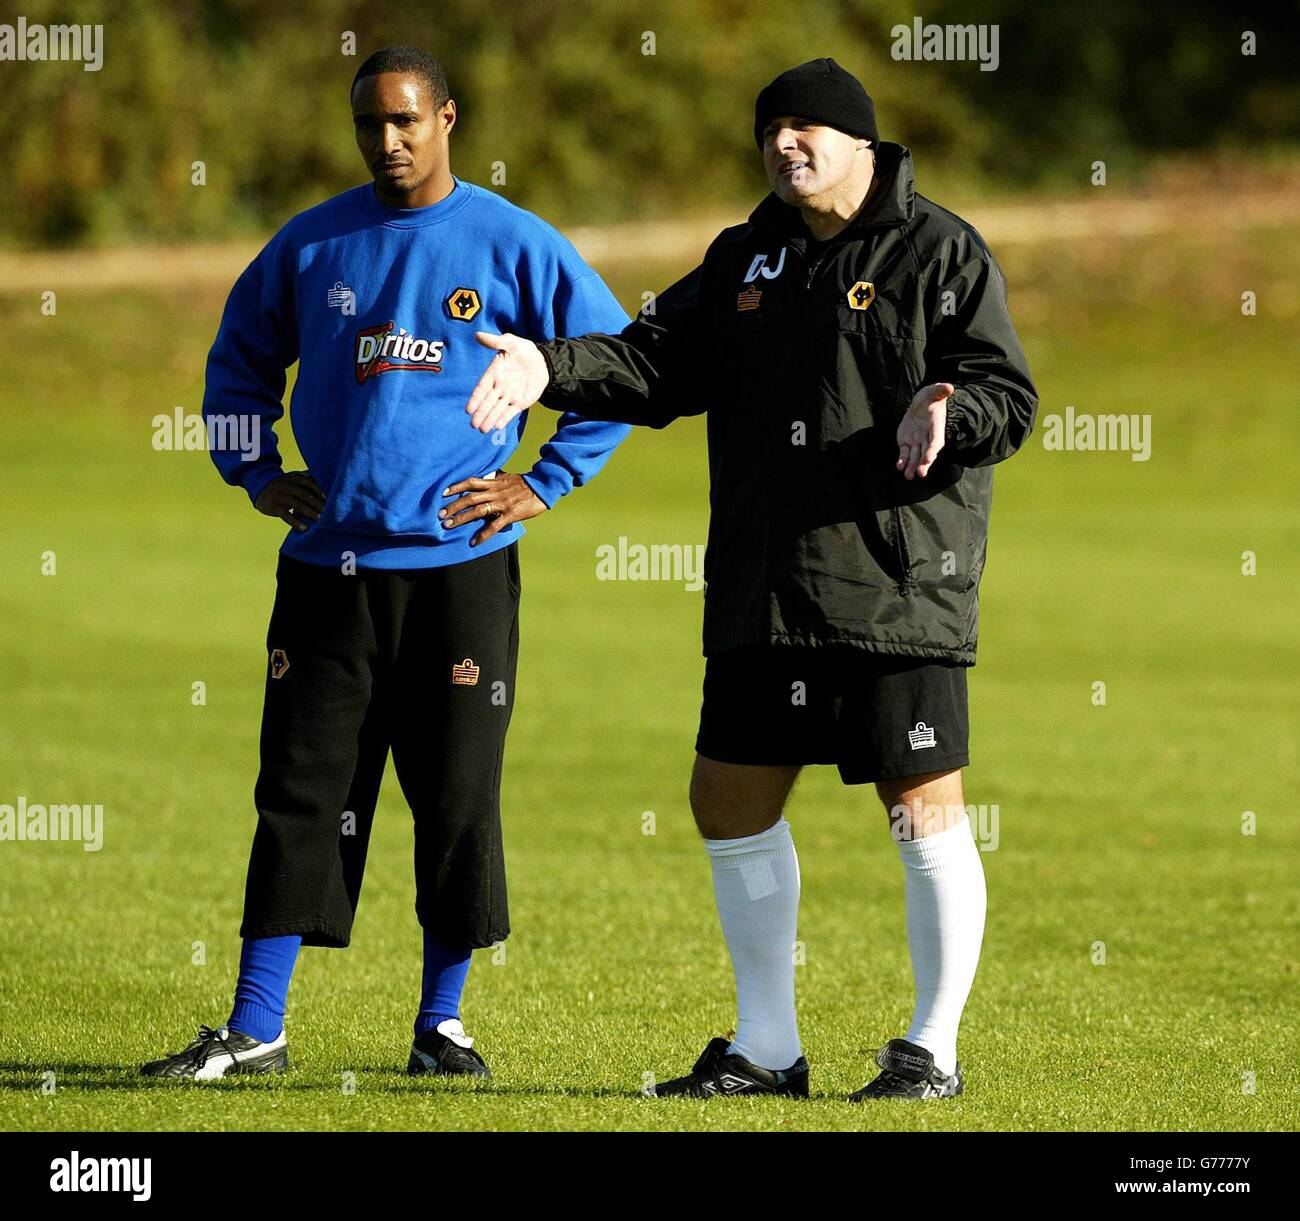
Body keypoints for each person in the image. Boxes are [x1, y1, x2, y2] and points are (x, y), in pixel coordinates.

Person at [463, 58, 1038, 1100]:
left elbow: (1007, 390)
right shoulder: (747, 256)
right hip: (765, 585)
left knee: (920, 806)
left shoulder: (940, 249)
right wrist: (551, 367)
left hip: (894, 580)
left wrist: (949, 411)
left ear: (863, 143)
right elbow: (656, 363)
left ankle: (931, 1051)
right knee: (726, 799)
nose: (785, 145)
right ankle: (767, 1049)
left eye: (808, 128)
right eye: (772, 128)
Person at [141, 45, 631, 1081]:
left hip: (461, 573)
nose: (389, 141)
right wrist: (254, 472)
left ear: (449, 119)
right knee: (301, 790)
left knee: (456, 795)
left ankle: (441, 1026)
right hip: (329, 571)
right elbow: (237, 362)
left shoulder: (512, 243)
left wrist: (543, 482)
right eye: (371, 124)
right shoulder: (315, 243)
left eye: (408, 120)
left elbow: (615, 364)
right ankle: (256, 1025)